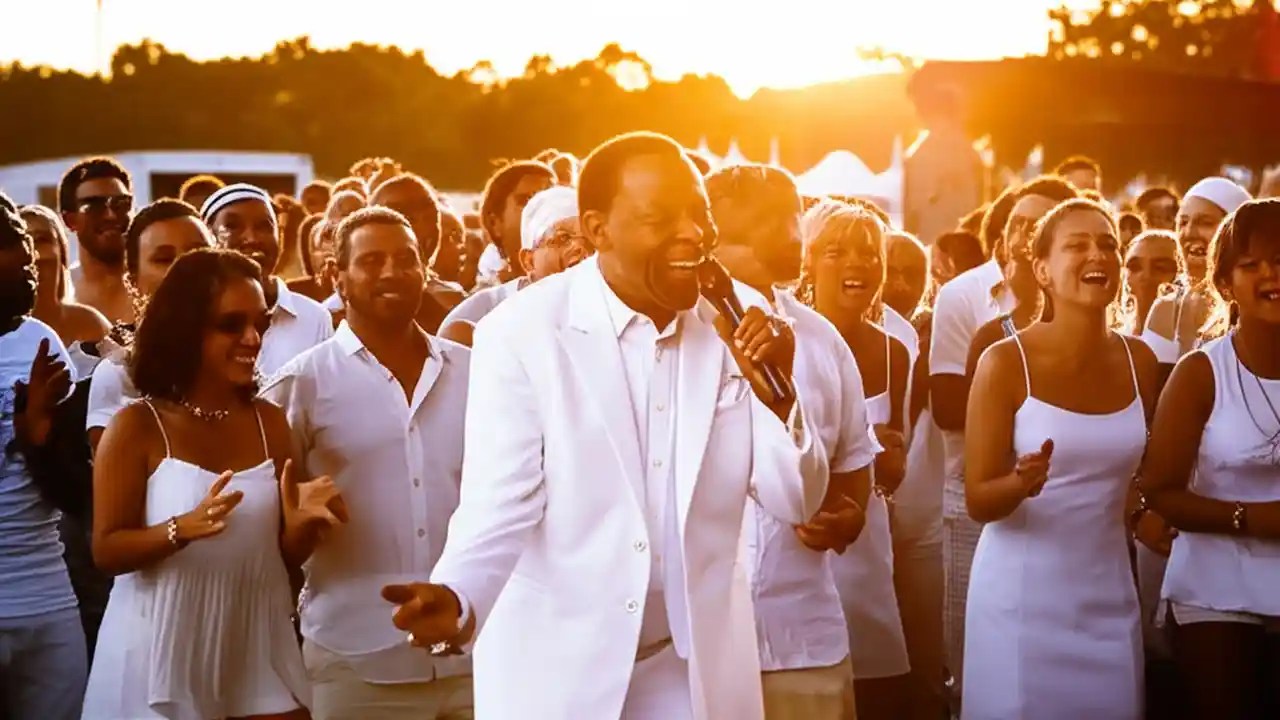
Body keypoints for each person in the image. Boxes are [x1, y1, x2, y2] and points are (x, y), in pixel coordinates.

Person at [384, 132, 826, 720]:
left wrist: (780, 393)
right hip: (561, 673)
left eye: (699, 214)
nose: (692, 233)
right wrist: (458, 595)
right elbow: (500, 502)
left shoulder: (738, 316)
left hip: (693, 671)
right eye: (660, 217)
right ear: (597, 229)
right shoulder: (521, 332)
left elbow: (797, 499)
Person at [84, 248, 337, 719]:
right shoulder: (137, 426)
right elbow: (106, 550)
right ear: (186, 328)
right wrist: (180, 528)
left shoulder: (270, 422)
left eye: (259, 323)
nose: (252, 338)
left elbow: (279, 558)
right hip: (161, 648)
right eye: (231, 325)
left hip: (254, 643)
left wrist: (303, 527)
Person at [262, 207, 473, 719]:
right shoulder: (301, 384)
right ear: (338, 276)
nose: (391, 272)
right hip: (355, 660)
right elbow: (273, 536)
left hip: (475, 655)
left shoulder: (476, 370)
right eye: (371, 260)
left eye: (406, 259)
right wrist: (299, 527)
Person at [963, 199, 1157, 719]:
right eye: (1077, 245)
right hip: (1021, 604)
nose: (1098, 255)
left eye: (1108, 244)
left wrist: (1144, 510)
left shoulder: (1140, 361)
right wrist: (1019, 482)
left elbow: (1149, 474)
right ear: (1042, 270)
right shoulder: (1004, 361)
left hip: (1109, 598)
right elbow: (978, 499)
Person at [708, 164, 874, 720]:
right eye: (776, 217)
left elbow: (854, 462)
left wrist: (848, 519)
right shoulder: (674, 333)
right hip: (696, 648)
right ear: (721, 229)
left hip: (803, 637)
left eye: (794, 215)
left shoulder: (821, 337)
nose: (794, 231)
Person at [930, 177, 1076, 706]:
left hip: (1068, 511)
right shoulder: (968, 301)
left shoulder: (1102, 318)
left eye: (1039, 226)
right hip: (980, 500)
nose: (1024, 234)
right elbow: (948, 408)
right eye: (1018, 222)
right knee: (979, 664)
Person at [1142, 199, 1280, 720]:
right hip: (1216, 591)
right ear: (1225, 286)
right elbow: (1160, 490)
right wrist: (1253, 517)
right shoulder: (1201, 372)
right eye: (1252, 265)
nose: (1271, 275)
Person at [801, 204, 912, 720]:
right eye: (836, 251)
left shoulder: (896, 351)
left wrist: (888, 461)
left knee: (876, 689)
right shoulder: (785, 340)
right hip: (804, 538)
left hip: (868, 541)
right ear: (807, 263)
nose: (857, 264)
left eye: (869, 253)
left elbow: (894, 471)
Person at [0, 200, 86, 719]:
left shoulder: (39, 343)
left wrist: (38, 440)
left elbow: (76, 498)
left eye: (18, 247)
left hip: (46, 600)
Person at [85, 199, 213, 454]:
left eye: (197, 252)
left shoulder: (248, 348)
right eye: (164, 259)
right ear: (133, 281)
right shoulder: (120, 375)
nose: (183, 267)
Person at [201, 183, 334, 379]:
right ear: (207, 237)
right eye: (232, 226)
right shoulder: (196, 316)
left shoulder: (314, 318)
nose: (251, 238)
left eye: (264, 226)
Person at [439, 186, 588, 346]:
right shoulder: (482, 315)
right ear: (529, 261)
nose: (580, 248)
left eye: (588, 239)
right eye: (563, 238)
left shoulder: (606, 308)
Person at [1142, 177, 1251, 365]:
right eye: (1183, 223)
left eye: (1205, 222)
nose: (1189, 233)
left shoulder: (1258, 303)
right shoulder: (1166, 309)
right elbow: (1157, 390)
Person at [368, 174, 463, 333]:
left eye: (431, 217)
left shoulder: (462, 306)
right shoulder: (346, 312)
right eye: (407, 218)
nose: (426, 229)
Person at [19, 205, 111, 353]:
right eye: (24, 240)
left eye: (41, 239)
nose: (33, 252)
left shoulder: (92, 324)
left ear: (62, 254)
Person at [60, 157, 135, 324]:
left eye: (121, 203)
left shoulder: (154, 283)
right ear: (70, 221)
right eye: (93, 207)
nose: (110, 215)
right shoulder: (60, 294)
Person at [477, 161, 555, 283]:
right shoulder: (487, 300)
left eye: (553, 200)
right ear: (495, 223)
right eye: (526, 201)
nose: (544, 210)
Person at [1121, 230, 1184, 336]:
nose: (1145, 275)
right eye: (1135, 267)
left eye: (1160, 268)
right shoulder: (1115, 341)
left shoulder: (1194, 343)